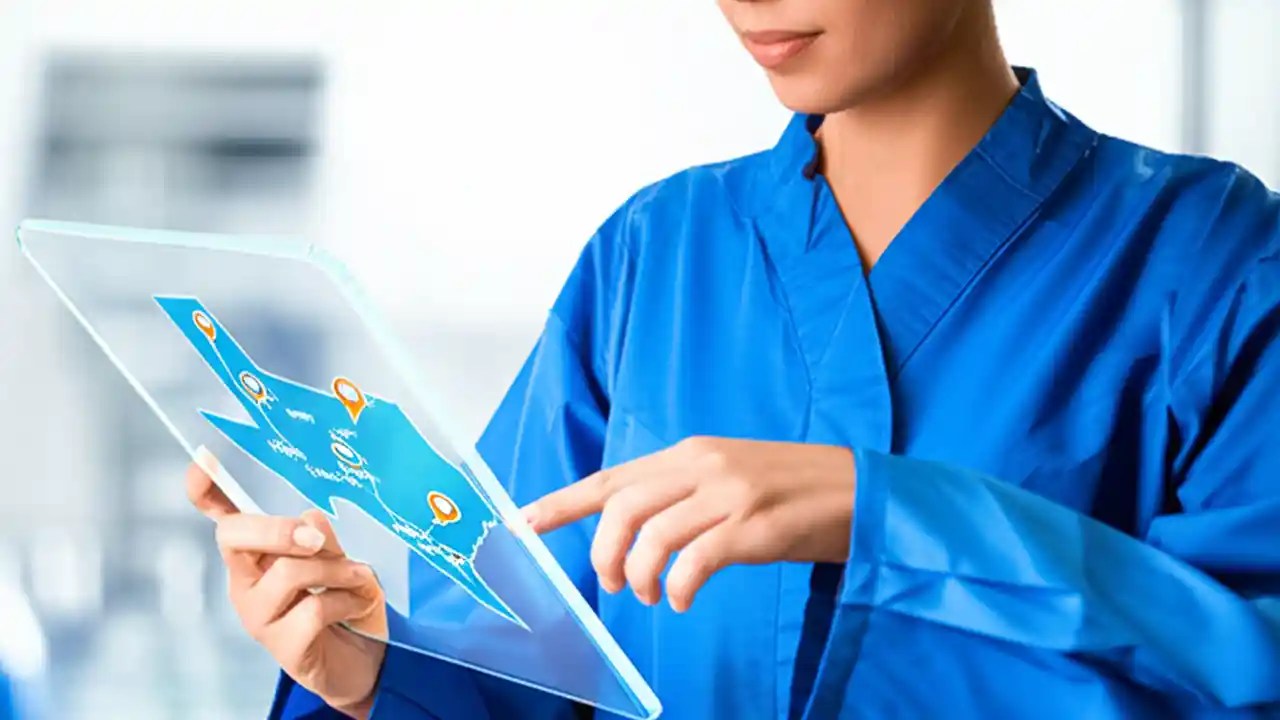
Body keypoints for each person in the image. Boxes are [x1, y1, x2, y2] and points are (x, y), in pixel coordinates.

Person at [187, 1, 1280, 717]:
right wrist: (369, 670)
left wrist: (885, 514)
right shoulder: (651, 257)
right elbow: (534, 675)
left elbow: (1250, 675)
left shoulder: (1214, 260)